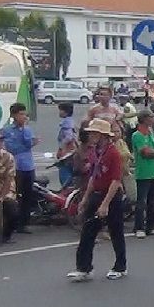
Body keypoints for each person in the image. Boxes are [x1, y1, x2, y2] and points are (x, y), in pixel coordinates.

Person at [67, 119, 128, 282]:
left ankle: (120, 266)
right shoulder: (95, 152)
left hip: (111, 195)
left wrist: (105, 204)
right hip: (97, 193)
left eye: (95, 133)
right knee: (87, 230)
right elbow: (93, 176)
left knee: (116, 232)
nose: (92, 136)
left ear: (103, 135)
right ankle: (84, 267)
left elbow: (116, 181)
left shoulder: (113, 153)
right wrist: (85, 198)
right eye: (91, 133)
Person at [2, 102, 39, 234]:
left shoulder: (27, 129)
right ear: (13, 115)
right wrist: (28, 145)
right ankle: (12, 222)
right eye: (21, 114)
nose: (23, 117)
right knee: (14, 195)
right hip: (15, 166)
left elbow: (29, 142)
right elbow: (11, 147)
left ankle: (24, 223)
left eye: (25, 114)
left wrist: (25, 133)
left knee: (27, 195)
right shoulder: (7, 130)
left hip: (28, 165)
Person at [131, 109, 154, 239]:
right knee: (141, 201)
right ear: (145, 119)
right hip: (143, 173)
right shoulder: (137, 135)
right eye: (151, 117)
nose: (153, 119)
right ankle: (139, 227)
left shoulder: (152, 134)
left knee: (152, 201)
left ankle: (151, 226)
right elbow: (145, 152)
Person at [56, 103, 78, 188]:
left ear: (65, 112)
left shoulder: (67, 123)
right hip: (71, 151)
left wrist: (61, 149)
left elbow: (68, 137)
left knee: (65, 175)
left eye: (60, 110)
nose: (59, 112)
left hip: (67, 153)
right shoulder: (71, 121)